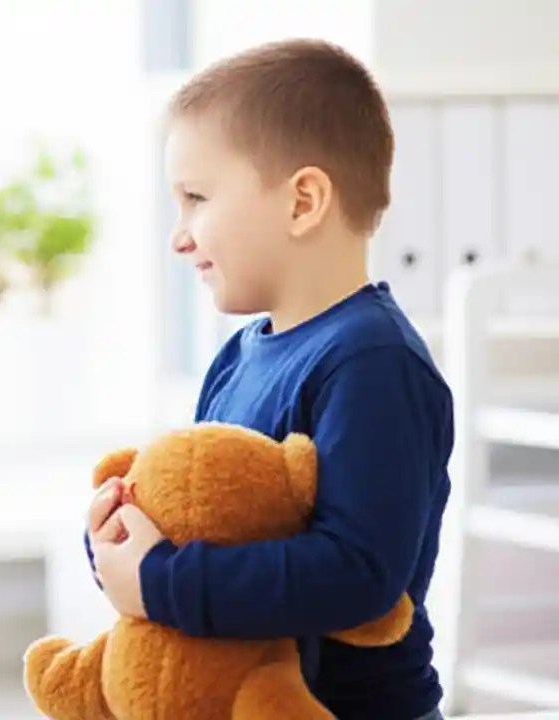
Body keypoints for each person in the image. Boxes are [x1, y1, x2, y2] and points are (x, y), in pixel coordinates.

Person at [84, 39, 452, 720]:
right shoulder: (239, 356)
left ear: (303, 201)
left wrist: (160, 582)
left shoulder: (373, 362)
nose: (179, 235)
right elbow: (200, 513)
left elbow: (358, 575)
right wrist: (117, 538)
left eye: (196, 198)